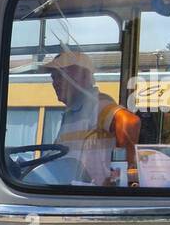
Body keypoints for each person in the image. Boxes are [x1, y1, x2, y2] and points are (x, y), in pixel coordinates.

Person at [41, 49, 140, 185]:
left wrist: (125, 171)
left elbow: (130, 122)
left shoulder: (96, 103)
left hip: (91, 195)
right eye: (54, 77)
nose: (55, 83)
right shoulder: (71, 112)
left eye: (62, 76)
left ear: (84, 77)